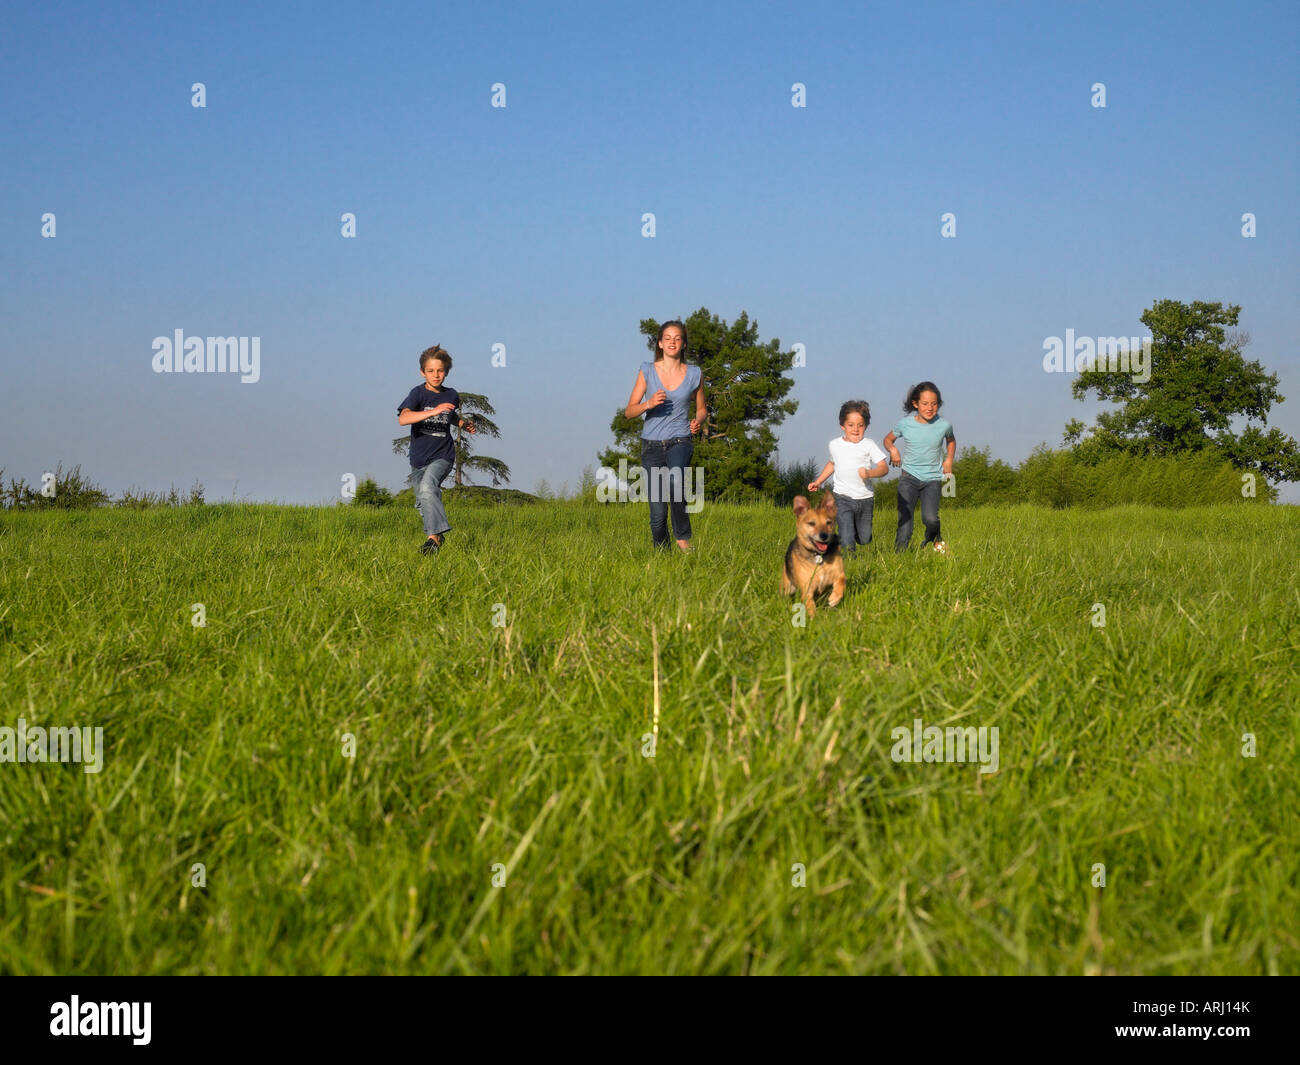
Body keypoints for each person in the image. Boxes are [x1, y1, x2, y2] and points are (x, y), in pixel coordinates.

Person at [622, 320, 707, 551]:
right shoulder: (647, 370)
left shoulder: (694, 374)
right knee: (658, 514)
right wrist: (648, 403)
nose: (672, 342)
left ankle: (682, 537)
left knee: (675, 480)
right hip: (651, 446)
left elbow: (702, 410)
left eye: (677, 338)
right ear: (660, 343)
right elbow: (629, 411)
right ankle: (662, 555)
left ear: (683, 344)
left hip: (680, 440)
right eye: (667, 338)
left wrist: (696, 422)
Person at [396, 345, 476, 556]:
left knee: (427, 488)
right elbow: (403, 419)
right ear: (423, 372)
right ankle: (437, 536)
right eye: (431, 371)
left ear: (446, 372)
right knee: (422, 499)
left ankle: (433, 540)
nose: (436, 375)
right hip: (418, 458)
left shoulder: (451, 395)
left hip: (443, 454)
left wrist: (461, 423)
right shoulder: (417, 393)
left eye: (440, 371)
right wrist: (433, 411)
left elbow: (449, 416)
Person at [807, 400, 889, 556]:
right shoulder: (834, 445)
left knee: (864, 538)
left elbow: (884, 468)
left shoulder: (869, 445)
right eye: (851, 425)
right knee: (846, 533)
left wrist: (870, 473)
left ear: (866, 426)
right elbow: (832, 464)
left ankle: (858, 537)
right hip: (842, 497)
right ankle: (849, 561)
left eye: (860, 425)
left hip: (865, 499)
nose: (856, 429)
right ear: (842, 426)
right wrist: (818, 481)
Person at [883, 381, 955, 552]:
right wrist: (893, 450)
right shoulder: (905, 424)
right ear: (915, 404)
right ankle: (900, 556)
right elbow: (888, 439)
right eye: (925, 404)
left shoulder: (944, 425)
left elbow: (951, 441)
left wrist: (949, 460)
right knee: (905, 521)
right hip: (909, 478)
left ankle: (933, 539)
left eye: (934, 403)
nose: (929, 408)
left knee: (931, 519)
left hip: (933, 479)